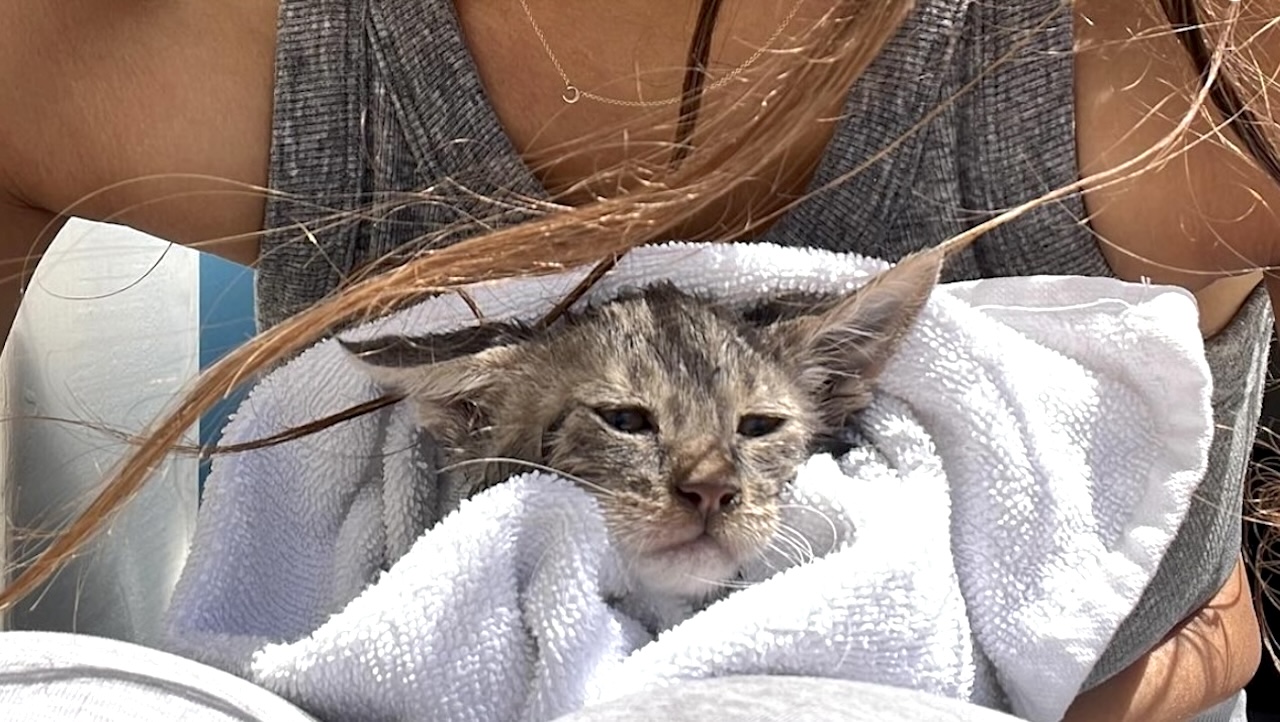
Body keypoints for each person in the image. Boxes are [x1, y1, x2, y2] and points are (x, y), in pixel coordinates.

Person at [0, 0, 1272, 719]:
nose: (713, 478)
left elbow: (1207, 616)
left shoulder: (1216, 71)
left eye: (753, 439)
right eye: (625, 422)